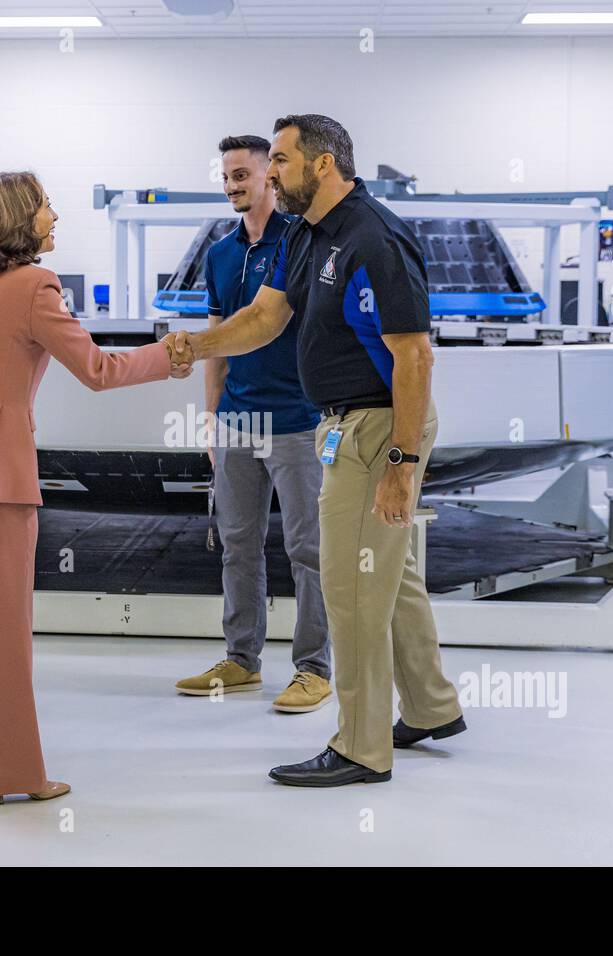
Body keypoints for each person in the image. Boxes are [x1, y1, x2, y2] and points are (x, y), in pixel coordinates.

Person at [0, 171, 193, 801]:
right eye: (47, 205)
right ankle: (15, 774)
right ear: (20, 217)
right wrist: (171, 356)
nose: (55, 215)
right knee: (8, 621)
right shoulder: (34, 287)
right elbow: (98, 370)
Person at [171, 114, 464, 788]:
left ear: (323, 163)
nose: (269, 173)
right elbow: (267, 316)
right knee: (391, 579)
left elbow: (415, 355)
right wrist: (190, 348)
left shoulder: (375, 237)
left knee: (350, 588)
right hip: (346, 425)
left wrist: (401, 462)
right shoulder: (308, 235)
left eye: (279, 159)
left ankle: (362, 746)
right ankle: (429, 706)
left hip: (379, 427)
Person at [173, 134, 332, 713]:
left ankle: (314, 669)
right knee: (238, 544)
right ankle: (241, 659)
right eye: (226, 176)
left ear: (271, 176)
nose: (231, 185)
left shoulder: (303, 241)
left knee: (307, 548)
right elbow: (217, 345)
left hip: (299, 419)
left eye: (242, 174)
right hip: (240, 419)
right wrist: (211, 420)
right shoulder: (219, 253)